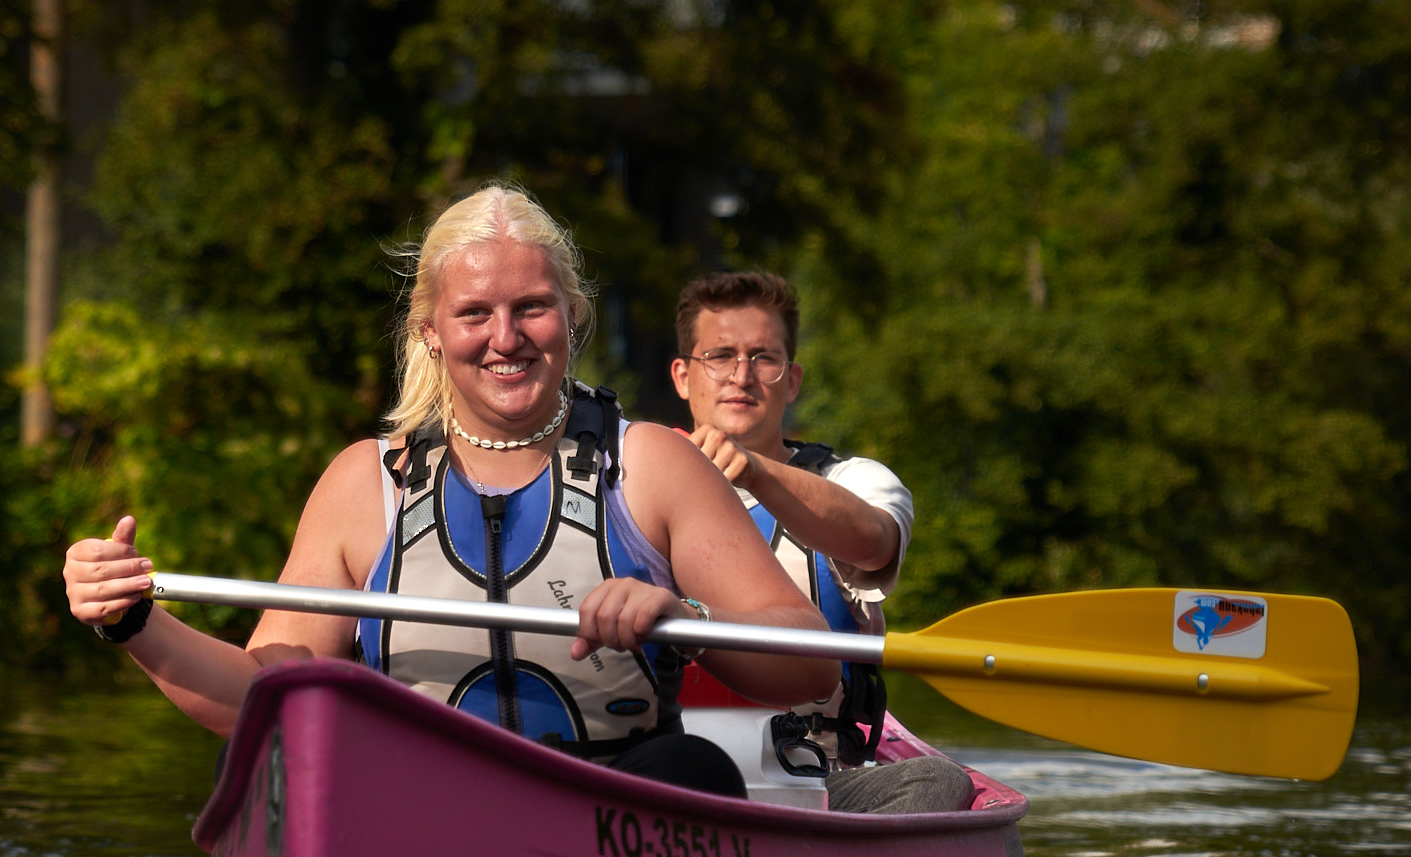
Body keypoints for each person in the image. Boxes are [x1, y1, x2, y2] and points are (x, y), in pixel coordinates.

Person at [62, 185, 837, 797]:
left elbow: (811, 664)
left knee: (694, 766)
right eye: (475, 314)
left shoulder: (651, 466)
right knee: (309, 771)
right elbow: (262, 698)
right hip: (423, 816)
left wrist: (685, 617)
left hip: (615, 818)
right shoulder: (364, 484)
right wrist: (136, 624)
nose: (506, 338)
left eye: (531, 307)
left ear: (572, 314)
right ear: (430, 329)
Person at [670, 270, 968, 813]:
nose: (741, 375)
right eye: (720, 356)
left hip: (813, 778)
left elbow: (873, 542)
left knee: (938, 783)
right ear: (683, 376)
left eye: (764, 357)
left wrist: (755, 471)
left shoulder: (855, 480)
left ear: (792, 380)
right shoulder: (627, 482)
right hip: (665, 767)